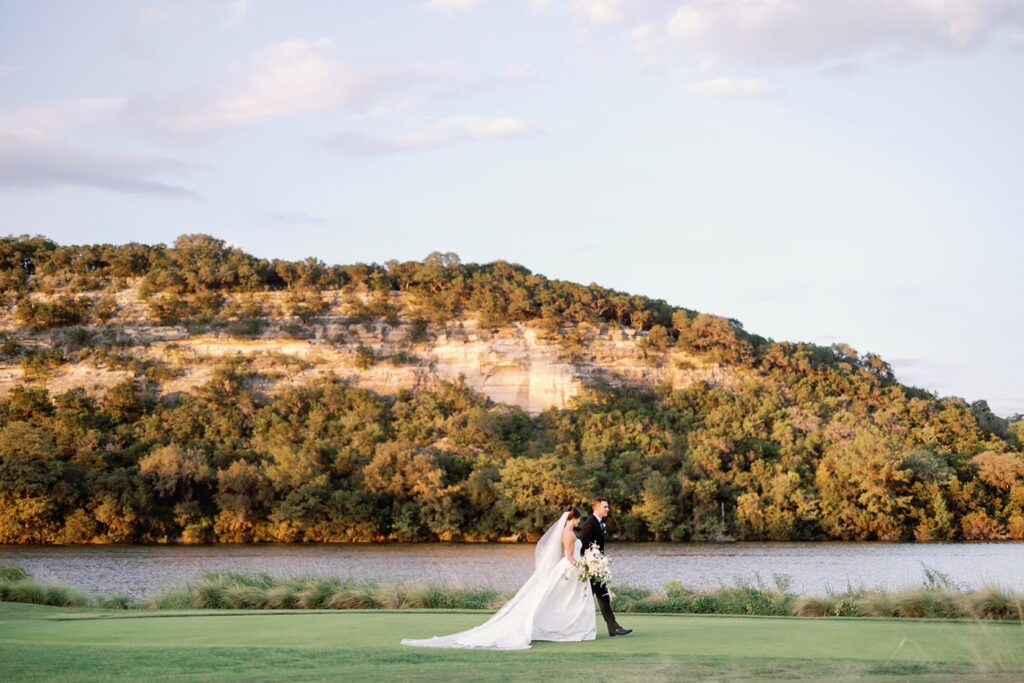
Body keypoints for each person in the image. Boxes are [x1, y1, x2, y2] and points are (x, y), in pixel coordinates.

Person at [400, 505, 596, 650]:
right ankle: (567, 630)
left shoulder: (564, 531)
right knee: (565, 601)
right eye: (578, 519)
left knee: (562, 601)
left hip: (567, 569)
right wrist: (583, 567)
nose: (579, 521)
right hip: (570, 569)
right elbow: (570, 557)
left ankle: (566, 630)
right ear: (574, 518)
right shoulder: (569, 535)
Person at [577, 496, 632, 637]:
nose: (608, 509)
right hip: (590, 568)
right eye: (605, 507)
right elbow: (581, 546)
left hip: (597, 567)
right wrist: (591, 563)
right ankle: (575, 627)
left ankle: (613, 627)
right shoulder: (590, 524)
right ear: (596, 508)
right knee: (587, 598)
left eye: (607, 506)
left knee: (603, 596)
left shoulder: (599, 523)